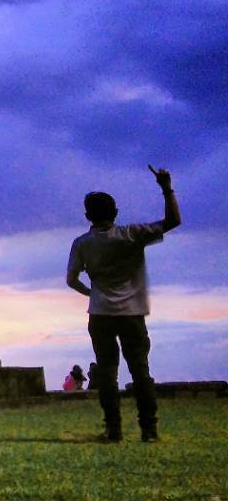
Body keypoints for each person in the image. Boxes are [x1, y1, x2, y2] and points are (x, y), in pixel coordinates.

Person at [66, 165, 180, 442]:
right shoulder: (132, 234)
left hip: (100, 314)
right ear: (115, 212)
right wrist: (166, 188)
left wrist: (92, 293)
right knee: (140, 371)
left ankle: (113, 430)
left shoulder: (82, 244)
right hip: (132, 313)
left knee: (107, 373)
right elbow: (173, 221)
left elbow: (71, 279)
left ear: (87, 216)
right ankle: (149, 430)